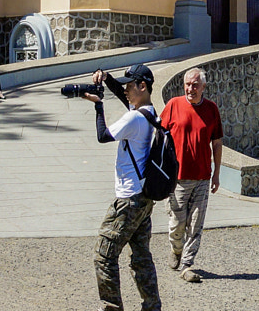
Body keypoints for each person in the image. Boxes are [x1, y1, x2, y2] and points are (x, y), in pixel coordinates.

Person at [84, 63, 162, 311]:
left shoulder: (134, 118)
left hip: (128, 199)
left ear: (142, 86)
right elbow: (122, 96)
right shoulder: (150, 113)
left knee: (104, 254)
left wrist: (98, 105)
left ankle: (111, 307)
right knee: (141, 258)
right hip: (144, 197)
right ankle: (152, 306)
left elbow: (103, 135)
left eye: (130, 84)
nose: (126, 89)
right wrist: (107, 78)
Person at [159, 67, 223, 283]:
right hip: (177, 178)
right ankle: (176, 250)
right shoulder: (173, 105)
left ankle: (187, 265)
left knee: (195, 225)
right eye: (187, 84)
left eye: (195, 84)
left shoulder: (212, 109)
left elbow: (217, 142)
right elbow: (159, 136)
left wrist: (216, 174)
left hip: (203, 177)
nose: (190, 88)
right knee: (177, 223)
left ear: (203, 87)